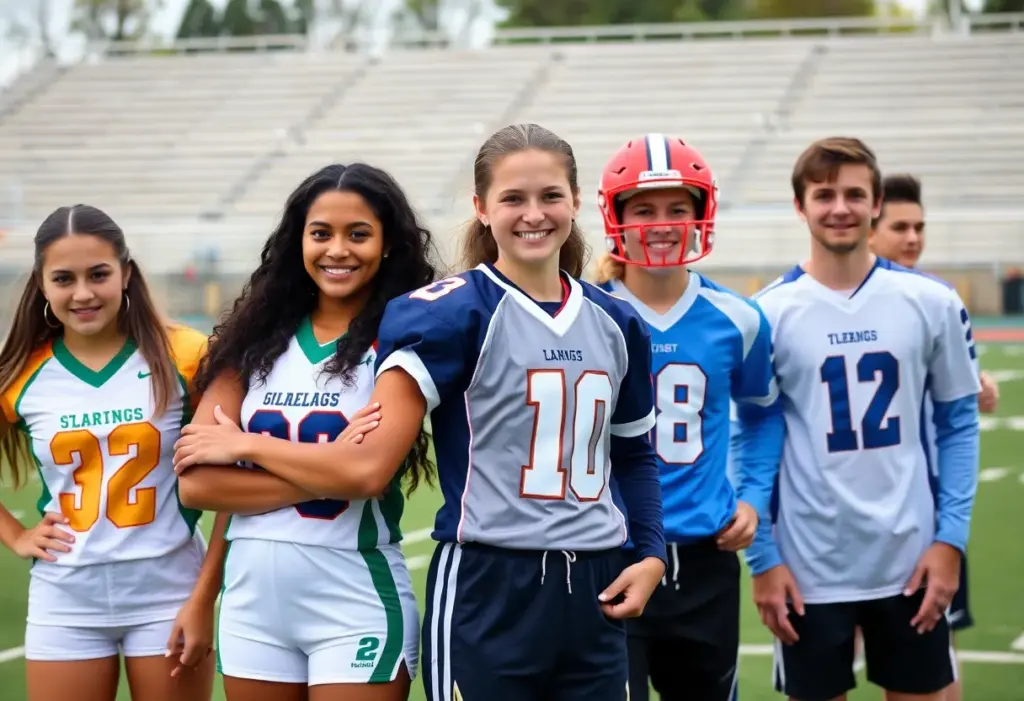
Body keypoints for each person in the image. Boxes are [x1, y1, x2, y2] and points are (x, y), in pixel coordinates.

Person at [172, 123, 668, 701]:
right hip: (486, 576)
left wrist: (651, 550)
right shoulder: (441, 314)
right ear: (481, 207)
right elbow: (224, 482)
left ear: (576, 202)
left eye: (550, 196)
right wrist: (324, 465)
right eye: (513, 198)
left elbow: (633, 453)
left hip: (590, 579)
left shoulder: (618, 320)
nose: (533, 213)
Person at [173, 163, 436, 700]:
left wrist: (248, 446)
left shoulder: (401, 339)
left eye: (358, 234)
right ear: (298, 242)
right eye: (321, 234)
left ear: (387, 244)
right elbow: (198, 486)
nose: (337, 250)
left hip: (354, 595)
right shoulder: (252, 340)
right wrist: (327, 469)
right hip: (251, 603)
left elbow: (366, 474)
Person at [743, 137, 981, 701]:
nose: (840, 207)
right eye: (824, 195)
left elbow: (958, 424)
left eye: (855, 193)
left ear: (876, 203)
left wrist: (951, 540)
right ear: (799, 206)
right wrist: (764, 558)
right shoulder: (767, 314)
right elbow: (749, 436)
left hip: (912, 555)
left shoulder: (932, 302)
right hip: (808, 565)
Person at [591, 133, 784, 701]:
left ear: (701, 215)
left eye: (678, 209)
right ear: (616, 217)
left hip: (705, 558)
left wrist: (750, 497)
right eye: (644, 210)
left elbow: (765, 415)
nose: (662, 223)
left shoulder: (737, 318)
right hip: (610, 551)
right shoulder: (586, 312)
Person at [0, 204, 219, 701]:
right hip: (65, 595)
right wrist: (15, 536)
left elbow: (231, 485)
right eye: (64, 278)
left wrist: (205, 596)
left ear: (126, 274)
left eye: (98, 274)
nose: (82, 293)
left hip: (170, 590)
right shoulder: (20, 372)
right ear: (41, 284)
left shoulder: (186, 353)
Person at [868, 172, 999, 701]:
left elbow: (963, 392)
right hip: (842, 510)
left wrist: (980, 387)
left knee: (933, 649)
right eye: (900, 227)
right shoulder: (819, 298)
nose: (913, 238)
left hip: (922, 504)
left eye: (919, 227)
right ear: (871, 229)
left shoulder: (937, 298)